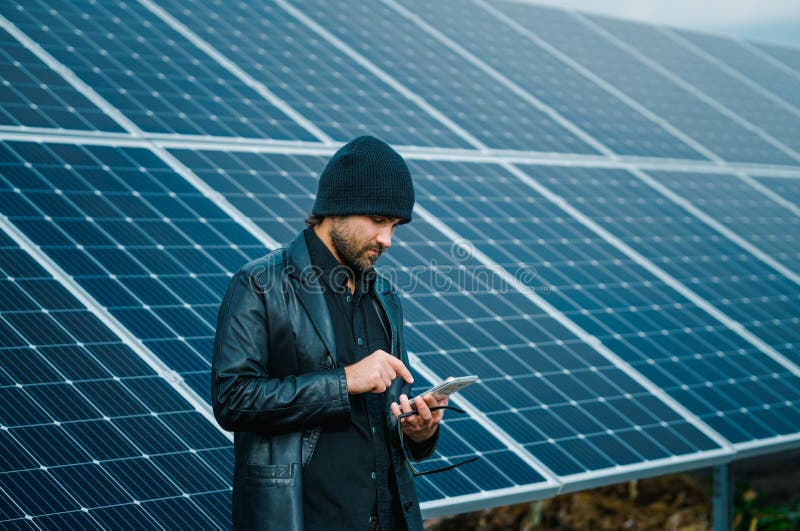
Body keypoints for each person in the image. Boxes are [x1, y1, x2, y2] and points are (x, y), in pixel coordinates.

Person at [212, 136, 448, 531]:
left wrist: (419, 432)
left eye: (394, 226)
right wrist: (344, 381)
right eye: (378, 220)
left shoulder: (385, 296)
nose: (387, 240)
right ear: (337, 206)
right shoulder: (260, 284)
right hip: (302, 519)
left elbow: (385, 420)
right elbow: (233, 400)